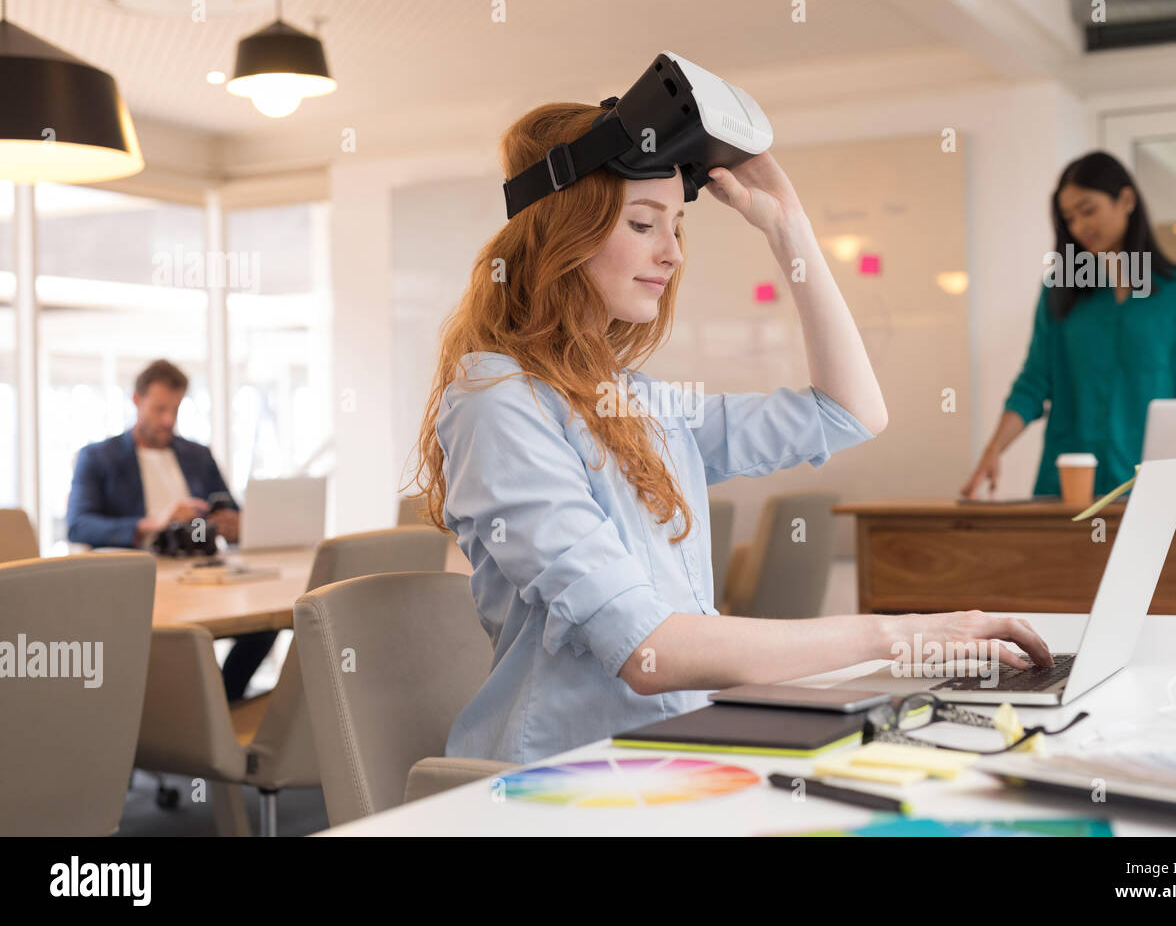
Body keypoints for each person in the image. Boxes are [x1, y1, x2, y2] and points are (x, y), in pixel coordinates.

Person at [411, 102, 1053, 765]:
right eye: (643, 224)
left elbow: (850, 412)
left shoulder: (638, 401)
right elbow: (646, 651)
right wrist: (897, 635)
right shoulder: (496, 400)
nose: (672, 252)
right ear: (560, 235)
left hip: (675, 755)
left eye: (679, 226)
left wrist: (789, 229)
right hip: (562, 781)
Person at [962, 150, 1176, 500]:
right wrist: (992, 450)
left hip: (1150, 489)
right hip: (1066, 486)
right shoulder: (1059, 289)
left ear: (1126, 200)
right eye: (1069, 218)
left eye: (1088, 210)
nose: (1079, 226)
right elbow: (1034, 383)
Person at [66, 358, 274, 701]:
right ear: (136, 400)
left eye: (175, 409)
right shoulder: (98, 458)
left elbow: (231, 511)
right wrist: (153, 523)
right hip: (141, 583)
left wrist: (233, 526)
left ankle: (224, 701)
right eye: (160, 409)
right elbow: (78, 524)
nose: (168, 420)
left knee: (266, 622)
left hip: (204, 575)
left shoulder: (197, 455)